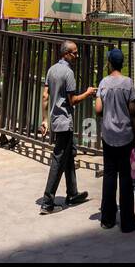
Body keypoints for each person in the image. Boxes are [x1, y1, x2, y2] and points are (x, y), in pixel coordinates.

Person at [39, 39, 96, 214]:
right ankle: (48, 202)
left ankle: (72, 193)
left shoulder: (52, 70)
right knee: (59, 158)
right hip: (65, 121)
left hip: (56, 120)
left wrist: (44, 120)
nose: (77, 56)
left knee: (69, 154)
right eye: (74, 53)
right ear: (66, 53)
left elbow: (45, 96)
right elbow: (72, 101)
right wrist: (87, 93)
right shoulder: (68, 73)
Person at [95, 46, 135, 233]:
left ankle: (107, 218)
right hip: (126, 135)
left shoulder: (103, 83)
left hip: (108, 135)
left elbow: (98, 110)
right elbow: (133, 111)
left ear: (109, 63)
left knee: (109, 175)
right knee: (126, 177)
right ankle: (128, 222)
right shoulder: (128, 84)